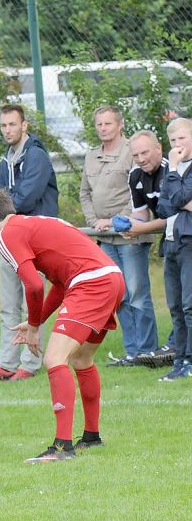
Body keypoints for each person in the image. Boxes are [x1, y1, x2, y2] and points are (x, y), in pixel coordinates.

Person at [0, 188, 124, 461]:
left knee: (54, 359)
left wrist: (33, 327)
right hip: (111, 276)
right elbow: (60, 285)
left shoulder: (6, 235)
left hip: (90, 282)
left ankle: (62, 447)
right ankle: (91, 437)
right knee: (81, 359)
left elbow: (33, 285)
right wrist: (37, 320)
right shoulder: (34, 223)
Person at [80, 106, 157, 366]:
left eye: (108, 123)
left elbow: (138, 196)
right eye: (99, 124)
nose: (103, 128)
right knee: (119, 295)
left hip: (130, 234)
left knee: (137, 294)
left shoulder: (131, 151)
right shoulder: (91, 156)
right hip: (105, 238)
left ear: (120, 124)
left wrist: (116, 221)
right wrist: (94, 223)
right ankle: (132, 351)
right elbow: (85, 193)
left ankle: (148, 350)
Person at [0, 104, 59, 382]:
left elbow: (26, 198)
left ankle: (30, 363)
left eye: (12, 124)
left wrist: (3, 207)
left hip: (34, 241)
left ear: (24, 125)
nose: (8, 130)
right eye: (3, 125)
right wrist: (4, 207)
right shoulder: (5, 160)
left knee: (33, 303)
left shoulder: (36, 155)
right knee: (8, 306)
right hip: (8, 239)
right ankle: (6, 362)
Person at [123, 130, 175, 367]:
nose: (141, 159)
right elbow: (141, 214)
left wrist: (141, 229)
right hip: (172, 240)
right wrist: (129, 225)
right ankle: (176, 347)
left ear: (159, 149)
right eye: (136, 155)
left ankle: (177, 347)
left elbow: (174, 216)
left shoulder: (172, 170)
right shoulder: (135, 175)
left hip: (184, 233)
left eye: (145, 152)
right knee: (176, 299)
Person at [156, 117, 192, 381]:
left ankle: (190, 360)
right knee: (176, 308)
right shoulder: (173, 169)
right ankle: (179, 360)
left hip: (188, 243)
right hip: (170, 243)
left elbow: (177, 197)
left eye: (182, 138)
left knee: (190, 306)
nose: (177, 144)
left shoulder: (178, 167)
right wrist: (181, 200)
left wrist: (175, 170)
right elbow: (163, 207)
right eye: (173, 140)